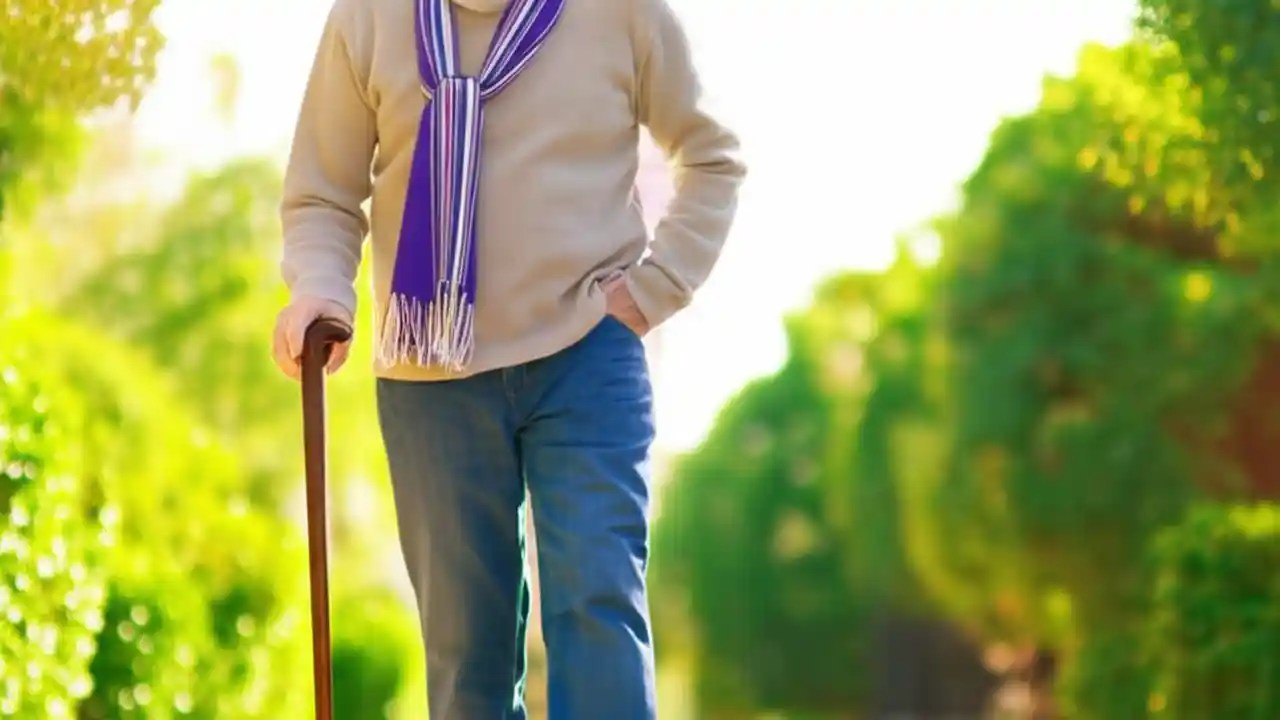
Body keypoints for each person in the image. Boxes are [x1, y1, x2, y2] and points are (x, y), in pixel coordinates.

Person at [271, 0, 744, 716]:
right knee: (468, 657)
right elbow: (323, 194)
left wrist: (652, 291)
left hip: (585, 357)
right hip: (429, 373)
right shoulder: (369, 16)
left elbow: (712, 158)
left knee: (597, 600)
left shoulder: (623, 12)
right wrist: (321, 290)